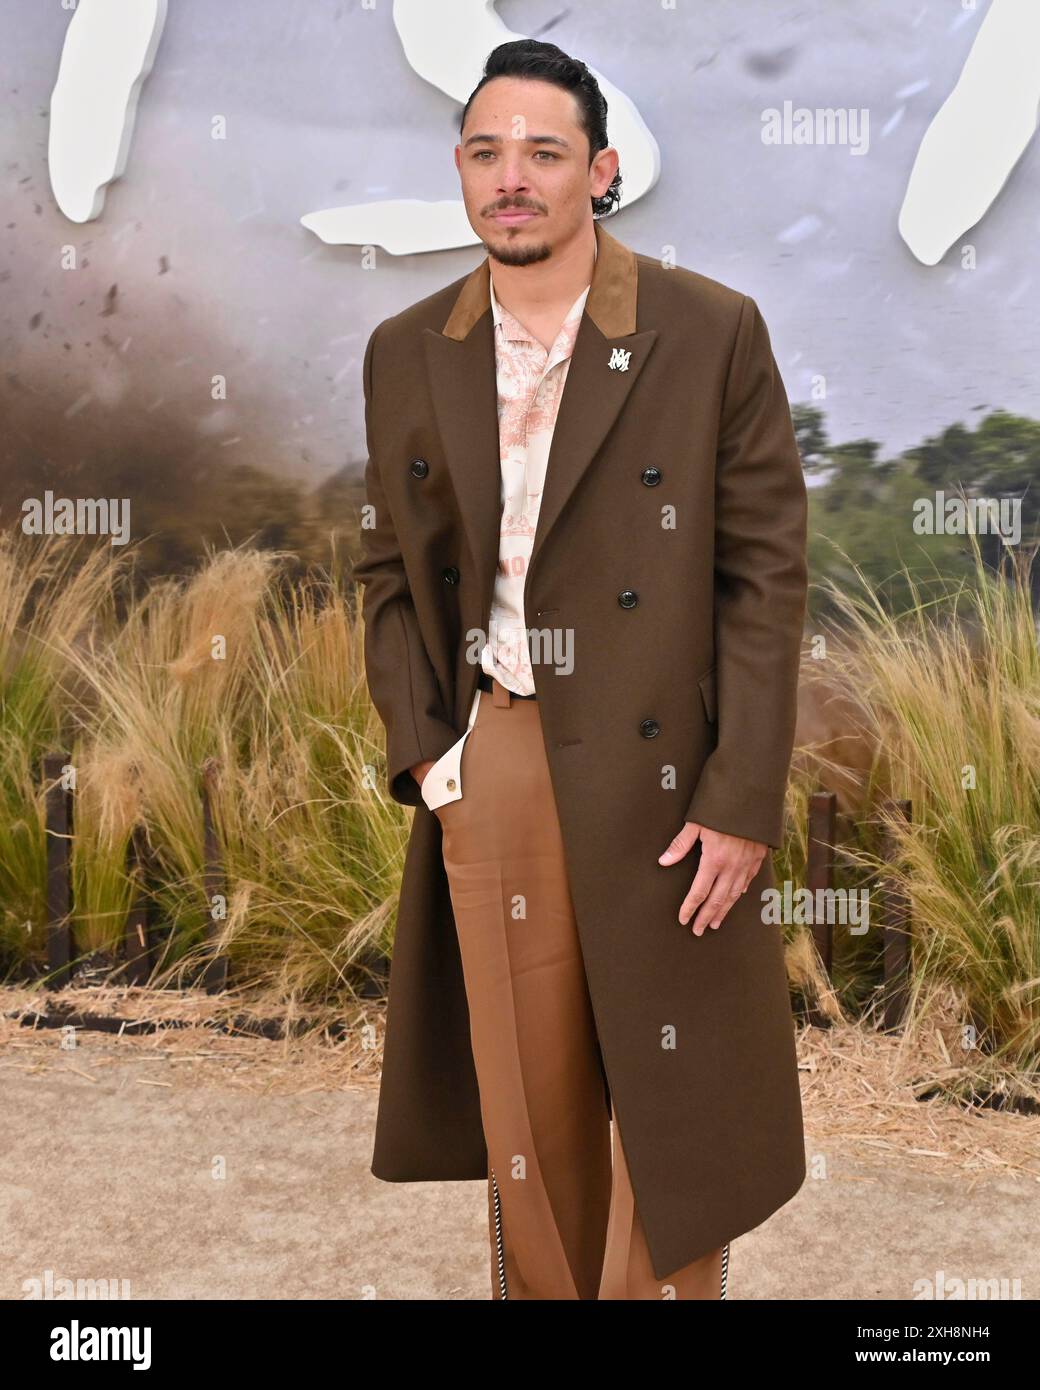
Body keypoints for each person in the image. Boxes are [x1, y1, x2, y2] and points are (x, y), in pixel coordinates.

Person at [353, 38, 809, 1300]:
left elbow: (762, 579)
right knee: (526, 1112)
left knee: (675, 1102)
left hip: (668, 771)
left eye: (544, 152)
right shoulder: (408, 345)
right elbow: (387, 568)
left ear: (600, 172)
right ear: (459, 171)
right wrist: (431, 759)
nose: (512, 177)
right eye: (486, 152)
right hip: (496, 755)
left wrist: (740, 795)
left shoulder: (706, 328)